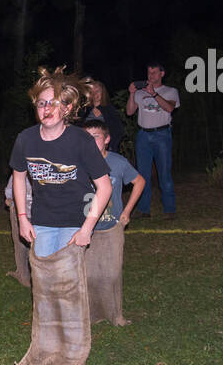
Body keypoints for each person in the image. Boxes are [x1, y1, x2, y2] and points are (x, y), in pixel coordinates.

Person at [11, 71, 113, 258]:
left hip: (75, 222)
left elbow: (105, 187)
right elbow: (18, 177)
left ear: (67, 108)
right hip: (41, 222)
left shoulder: (82, 140)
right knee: (45, 281)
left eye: (53, 103)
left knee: (67, 281)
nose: (46, 109)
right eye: (42, 103)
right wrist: (22, 219)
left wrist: (86, 229)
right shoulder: (25, 139)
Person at [82, 118, 145, 325]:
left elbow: (139, 181)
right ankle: (92, 315)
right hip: (85, 229)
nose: (90, 141)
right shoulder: (76, 163)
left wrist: (127, 211)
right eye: (86, 137)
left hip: (111, 227)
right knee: (88, 274)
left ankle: (116, 315)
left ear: (107, 139)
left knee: (112, 273)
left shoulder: (117, 162)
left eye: (96, 137)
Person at [125, 62, 181, 219]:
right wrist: (131, 93)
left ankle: (169, 210)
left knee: (164, 173)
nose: (151, 76)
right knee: (143, 174)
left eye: (155, 73)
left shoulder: (170, 91)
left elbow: (170, 108)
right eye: (149, 73)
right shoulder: (140, 92)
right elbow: (129, 112)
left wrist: (154, 94)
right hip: (143, 135)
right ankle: (144, 210)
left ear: (162, 74)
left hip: (162, 135)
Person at [78, 79, 125, 154]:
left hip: (105, 148)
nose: (95, 94)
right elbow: (78, 128)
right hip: (86, 148)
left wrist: (111, 146)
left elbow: (118, 131)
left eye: (97, 91)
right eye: (92, 92)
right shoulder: (85, 110)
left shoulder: (110, 110)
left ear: (103, 92)